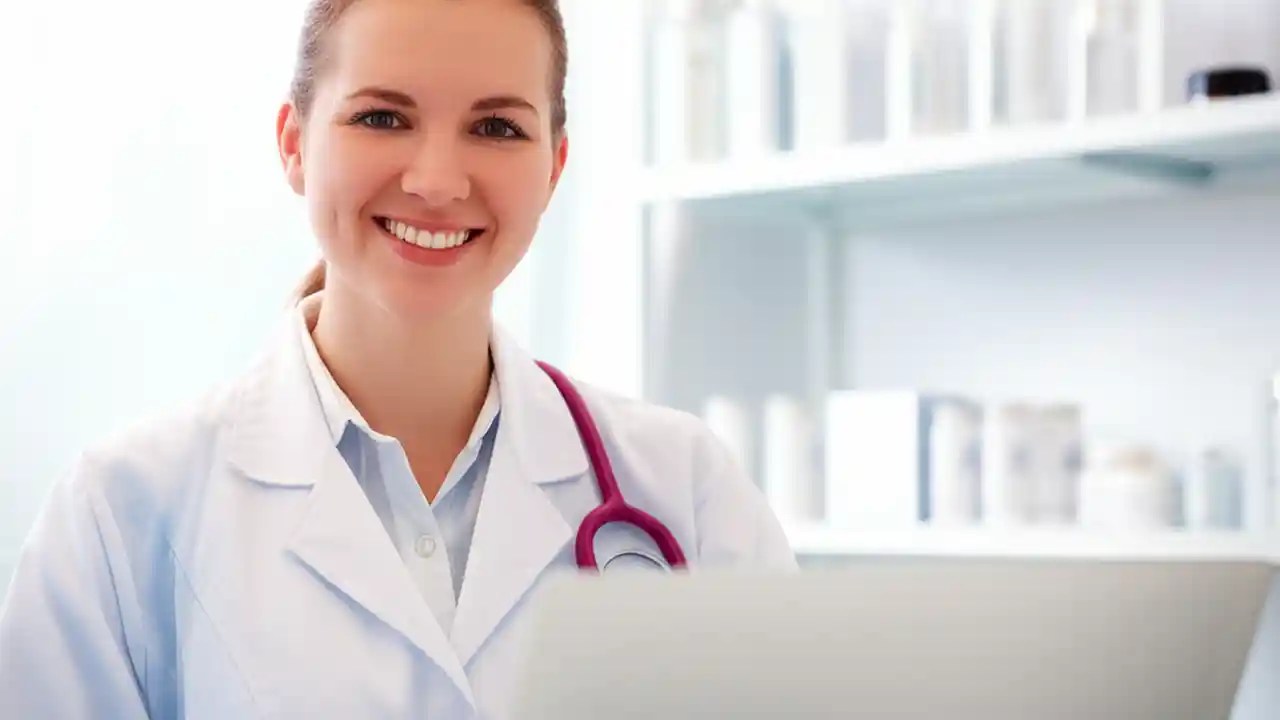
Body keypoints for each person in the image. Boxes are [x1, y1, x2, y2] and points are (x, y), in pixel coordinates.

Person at [0, 0, 796, 717]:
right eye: (382, 118)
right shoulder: (126, 511)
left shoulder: (684, 488)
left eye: (496, 128)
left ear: (553, 168)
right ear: (293, 145)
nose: (438, 181)